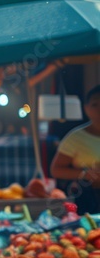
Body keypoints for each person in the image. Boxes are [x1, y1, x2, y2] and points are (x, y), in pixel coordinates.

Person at [50, 85, 100, 214]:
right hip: (89, 202)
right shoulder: (75, 138)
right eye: (95, 104)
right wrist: (85, 175)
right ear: (86, 108)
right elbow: (56, 170)